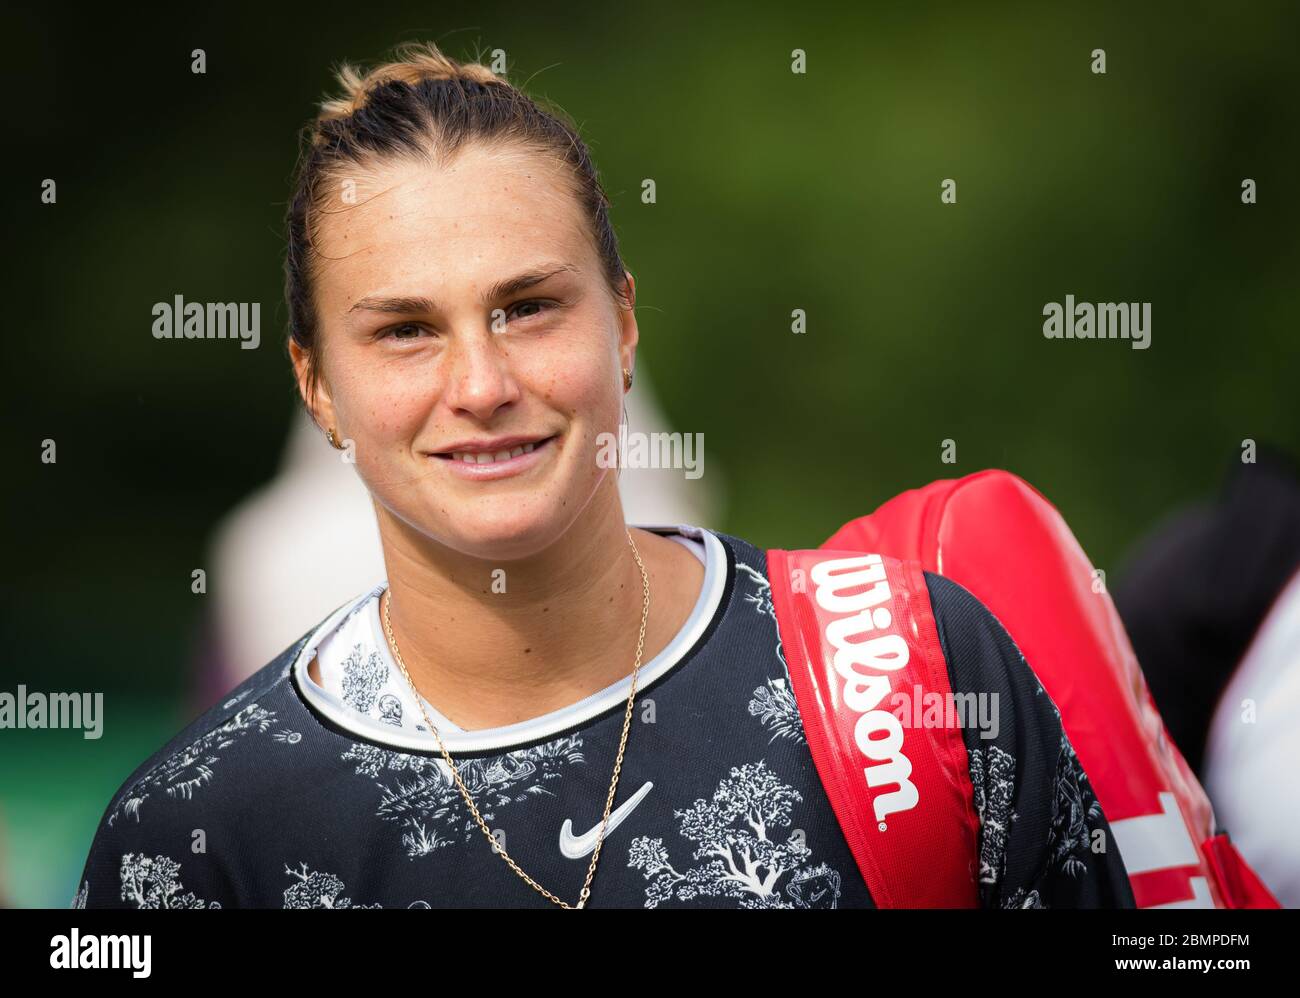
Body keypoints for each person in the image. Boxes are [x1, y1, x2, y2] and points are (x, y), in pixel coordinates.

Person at [74, 41, 1134, 909]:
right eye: (405, 329)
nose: (481, 383)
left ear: (623, 322)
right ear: (317, 385)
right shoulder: (199, 833)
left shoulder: (914, 672)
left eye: (528, 305)